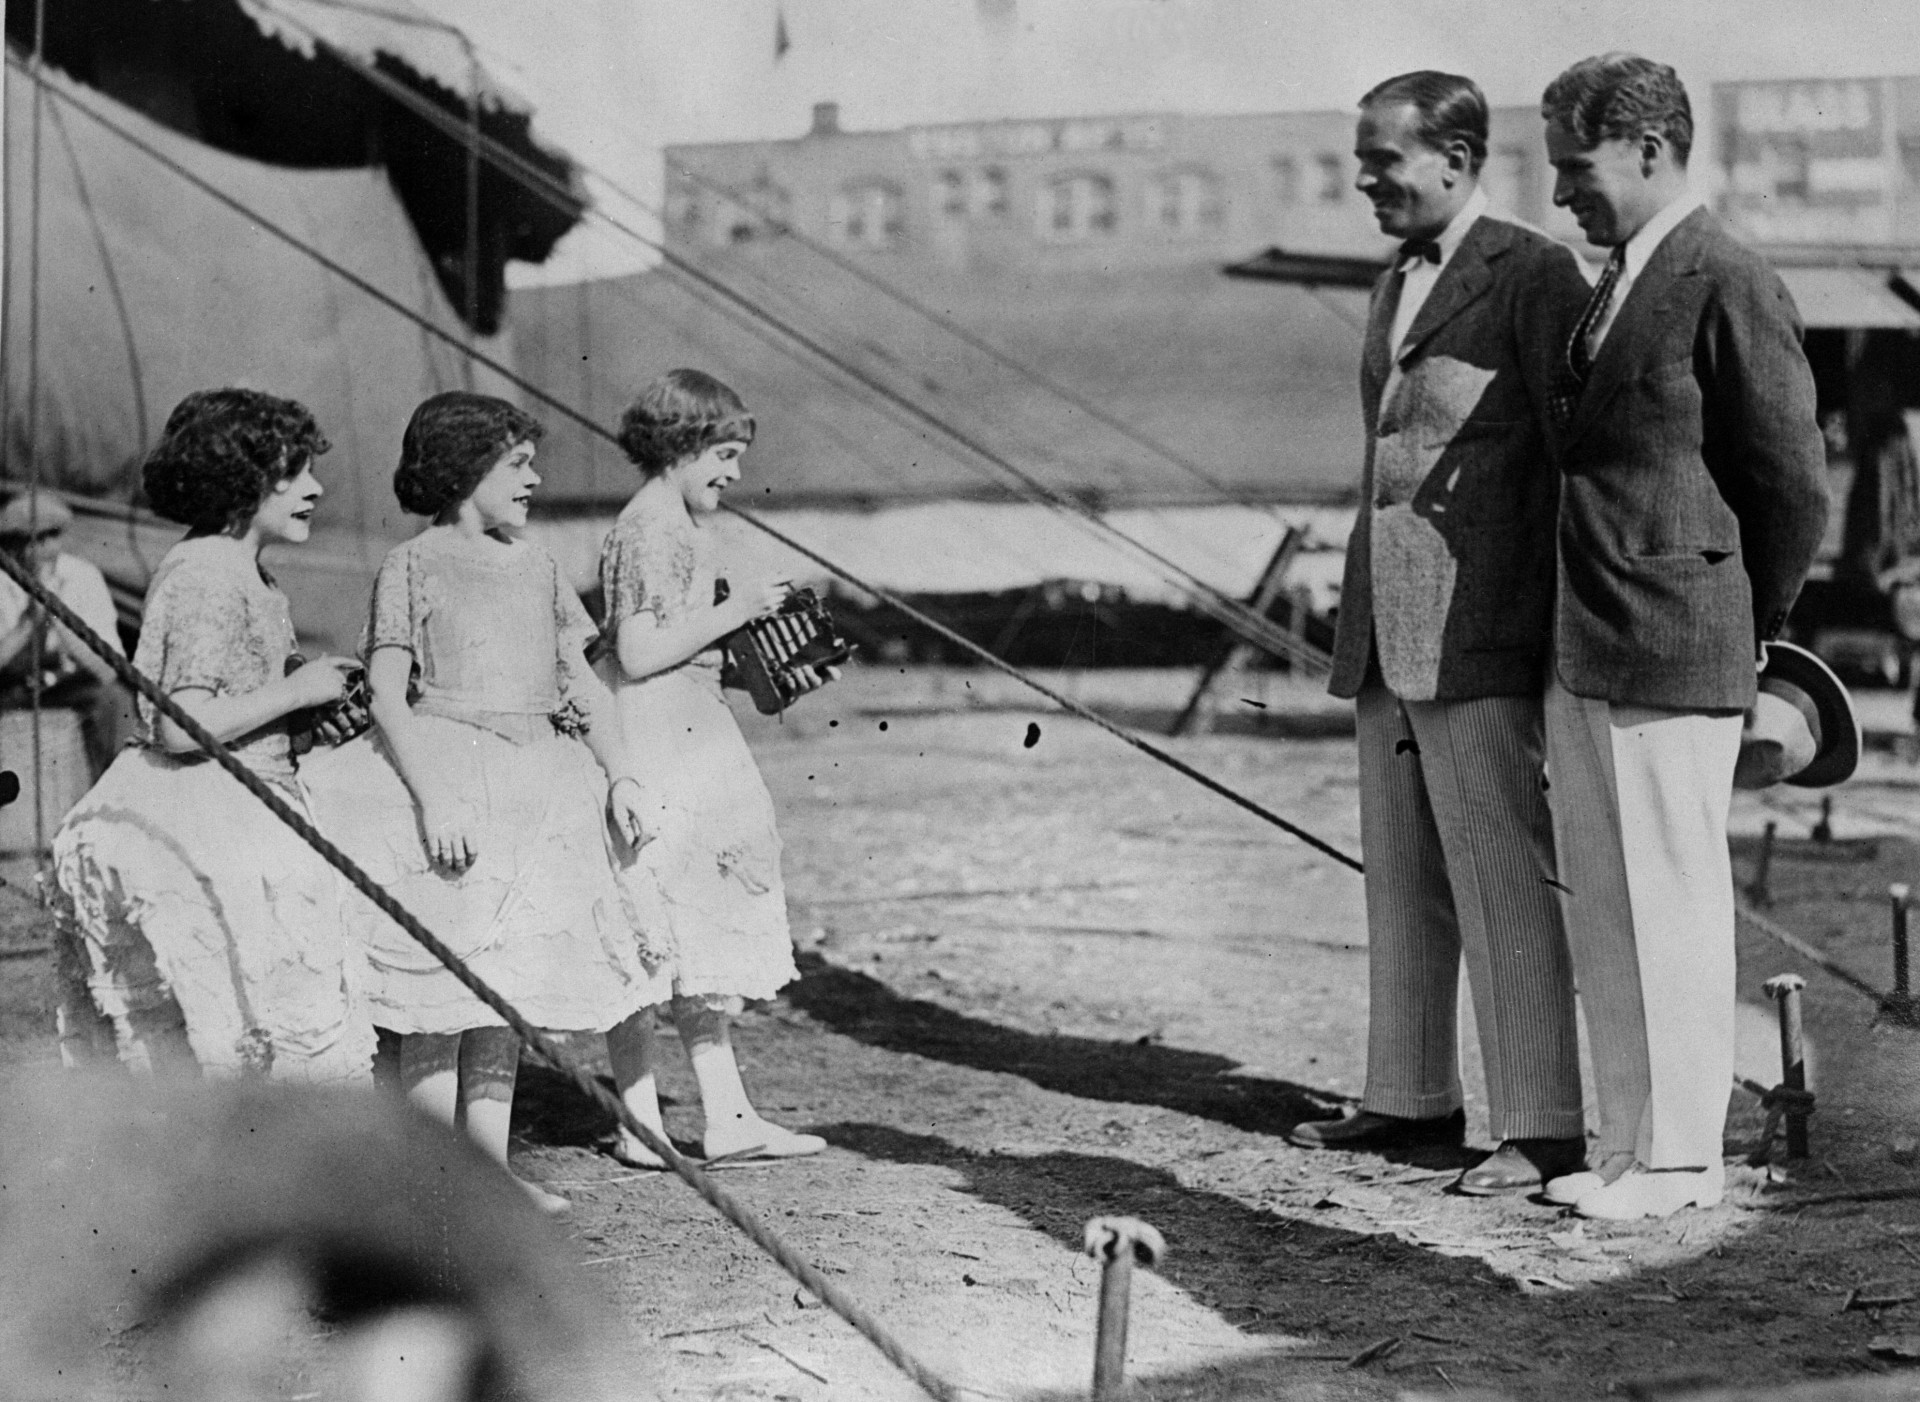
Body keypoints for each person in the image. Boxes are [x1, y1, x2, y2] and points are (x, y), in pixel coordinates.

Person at [1535, 54, 1828, 1220]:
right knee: (1609, 908)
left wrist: (1748, 624)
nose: (1561, 192)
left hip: (1675, 641)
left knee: (1672, 908)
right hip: (1588, 643)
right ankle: (1628, 1147)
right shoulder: (1616, 280)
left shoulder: (1727, 277)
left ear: (1649, 150)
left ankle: (1683, 1160)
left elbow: (1792, 484)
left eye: (1577, 167)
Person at [1290, 71, 1593, 1195]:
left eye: (1384, 160)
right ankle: (1410, 1094)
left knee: (1501, 873)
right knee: (1402, 871)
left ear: (1458, 160)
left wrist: (1545, 623)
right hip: (1388, 629)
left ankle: (1543, 1123)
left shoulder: (1536, 273)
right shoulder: (1394, 279)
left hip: (1480, 628)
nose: (1364, 181)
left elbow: (1571, 459)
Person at [303, 392, 656, 1213]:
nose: (535, 479)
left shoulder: (537, 567)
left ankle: (487, 1171)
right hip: (449, 774)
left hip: (536, 782)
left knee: (502, 985)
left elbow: (584, 686)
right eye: (518, 464)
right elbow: (387, 694)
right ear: (465, 469)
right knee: (440, 986)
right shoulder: (413, 564)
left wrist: (622, 774)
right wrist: (434, 799)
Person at [49, 388, 376, 1083]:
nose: (315, 489)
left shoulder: (243, 569)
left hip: (255, 797)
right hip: (207, 813)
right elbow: (178, 722)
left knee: (271, 1016)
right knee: (228, 1025)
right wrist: (296, 693)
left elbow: (234, 704)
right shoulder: (205, 574)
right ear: (240, 480)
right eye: (293, 474)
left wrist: (307, 722)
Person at [597, 369, 826, 1167]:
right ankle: (639, 1123)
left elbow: (671, 647)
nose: (734, 472)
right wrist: (738, 611)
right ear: (681, 446)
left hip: (686, 720)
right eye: (723, 454)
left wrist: (762, 661)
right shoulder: (647, 527)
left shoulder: (678, 526)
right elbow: (635, 652)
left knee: (699, 920)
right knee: (651, 922)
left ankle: (727, 1116)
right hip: (654, 734)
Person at [0, 490, 129, 775]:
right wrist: (28, 623)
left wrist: (56, 613)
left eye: (54, 534)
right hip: (10, 689)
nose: (46, 546)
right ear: (12, 544)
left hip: (67, 685)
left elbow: (108, 669)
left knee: (115, 700)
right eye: (34, 539)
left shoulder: (82, 575)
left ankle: (120, 785)